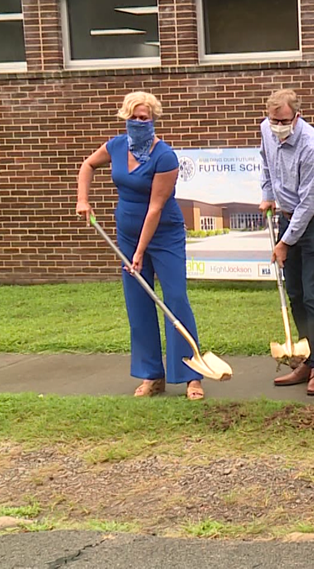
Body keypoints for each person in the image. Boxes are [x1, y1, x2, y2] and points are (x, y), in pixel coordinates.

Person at [75, 91, 205, 400]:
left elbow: (156, 208)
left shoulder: (165, 157)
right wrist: (83, 199)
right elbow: (87, 165)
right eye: (132, 117)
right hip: (127, 232)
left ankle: (191, 376)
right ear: (124, 118)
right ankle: (151, 375)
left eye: (143, 118)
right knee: (138, 301)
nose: (137, 122)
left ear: (153, 120)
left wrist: (139, 252)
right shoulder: (116, 146)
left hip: (163, 233)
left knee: (175, 299)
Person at [262, 89, 314, 396]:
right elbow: (266, 164)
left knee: (313, 294)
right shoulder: (266, 131)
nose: (277, 126)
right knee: (295, 291)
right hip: (288, 215)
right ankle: (307, 358)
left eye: (282, 120)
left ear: (296, 116)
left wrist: (284, 242)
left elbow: (309, 204)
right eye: (273, 119)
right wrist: (268, 193)